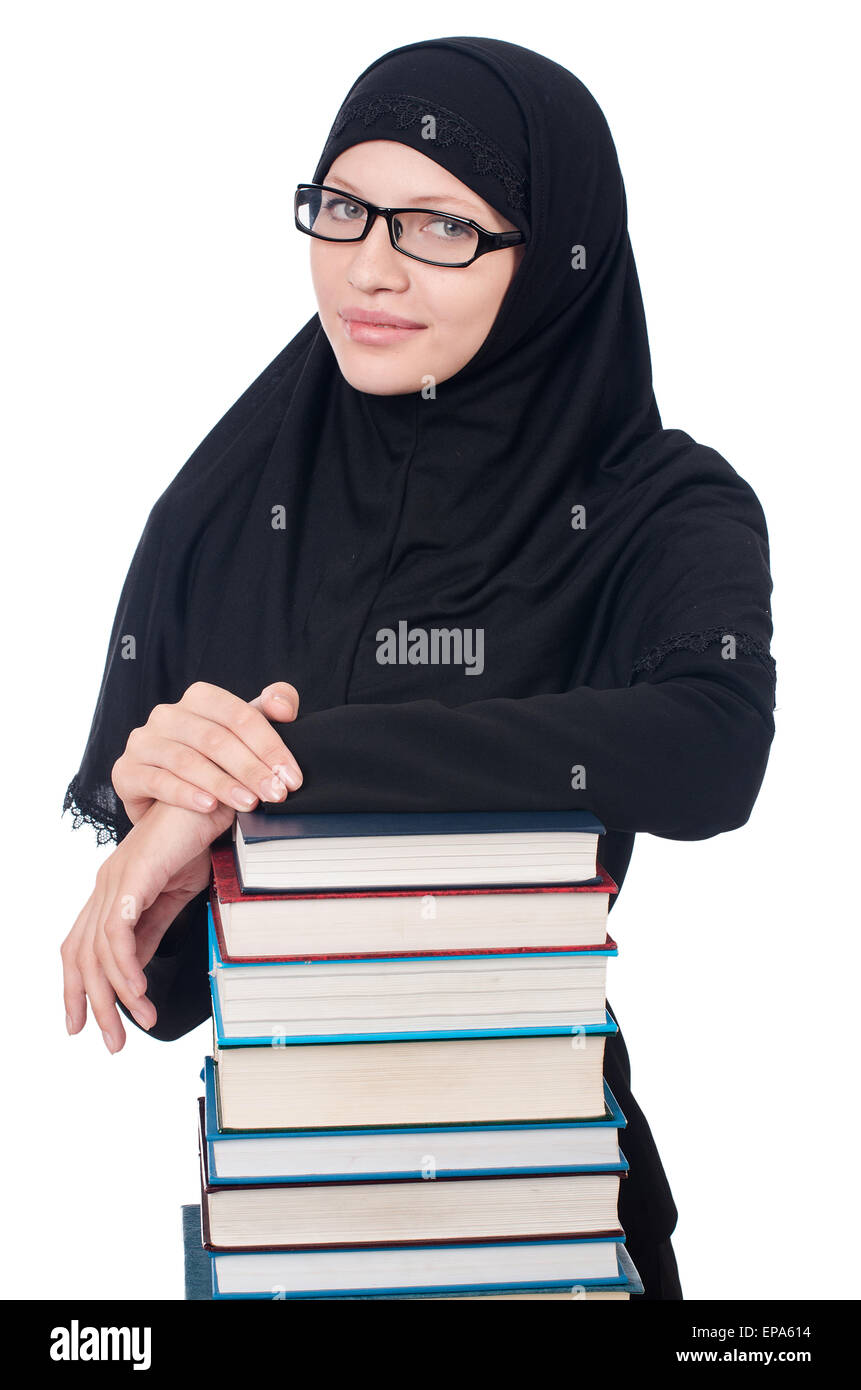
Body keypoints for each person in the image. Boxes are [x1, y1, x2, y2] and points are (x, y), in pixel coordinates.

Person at [60, 36, 777, 1301]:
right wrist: (167, 787)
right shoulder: (231, 502)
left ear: (555, 252)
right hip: (285, 1205)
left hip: (539, 1197)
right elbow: (174, 998)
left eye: (441, 225)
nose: (370, 266)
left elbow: (711, 746)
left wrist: (264, 772)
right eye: (343, 209)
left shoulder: (662, 505)